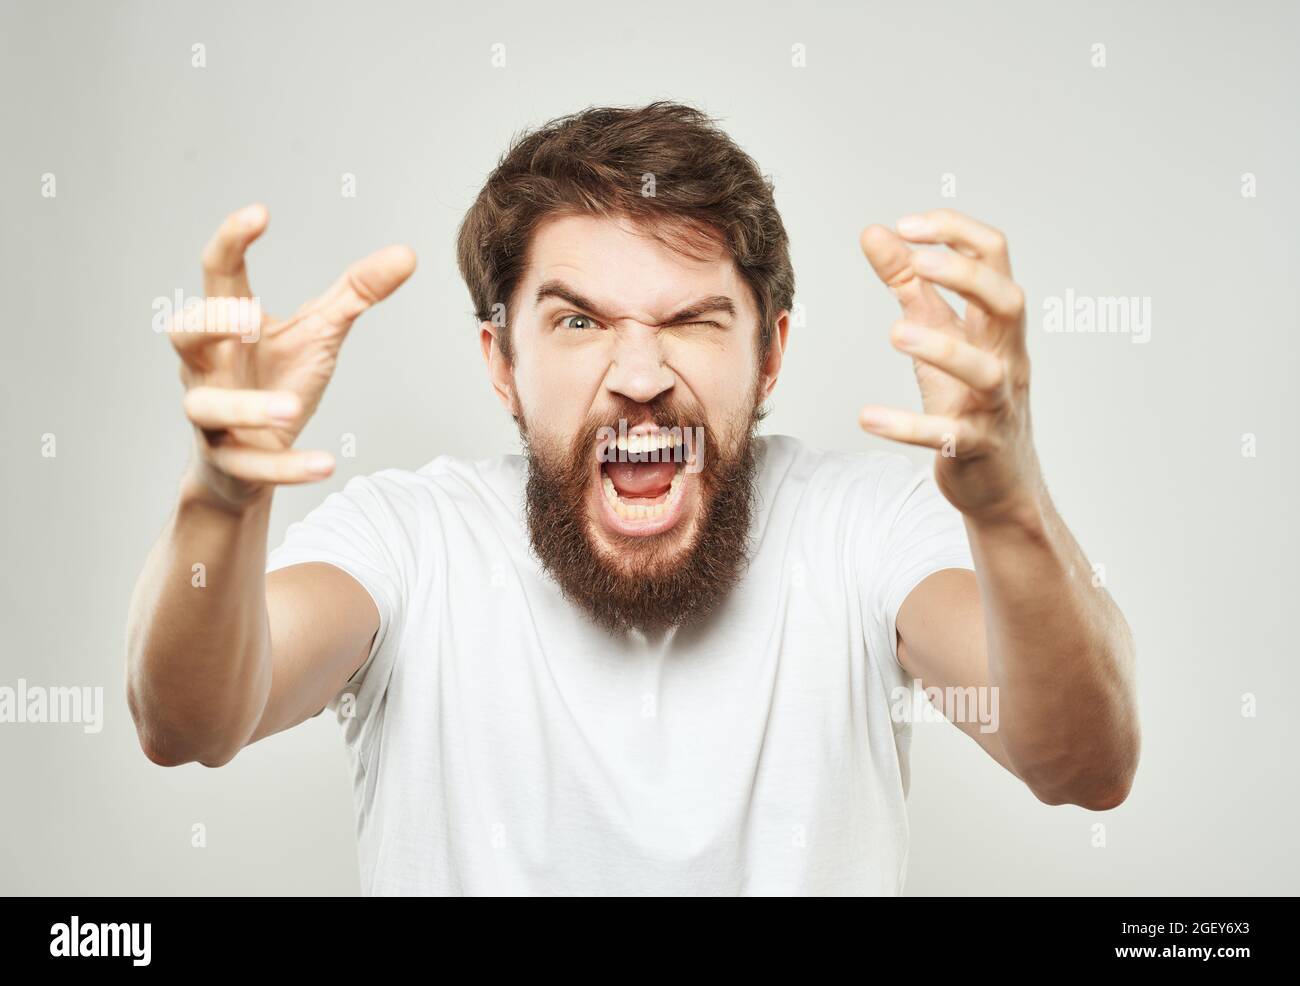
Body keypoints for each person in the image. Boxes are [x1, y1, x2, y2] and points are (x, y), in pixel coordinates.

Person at [126, 101, 1139, 895]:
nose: (640, 372)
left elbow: (1081, 761)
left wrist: (1008, 507)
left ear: (771, 352)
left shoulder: (859, 528)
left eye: (694, 318)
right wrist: (221, 496)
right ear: (502, 362)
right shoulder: (414, 540)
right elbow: (191, 719)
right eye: (577, 322)